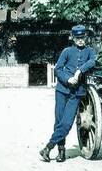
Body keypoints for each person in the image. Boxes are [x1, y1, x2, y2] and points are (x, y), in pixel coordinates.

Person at [39, 24, 96, 163]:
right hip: (62, 90)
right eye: (78, 38)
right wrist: (68, 78)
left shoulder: (90, 51)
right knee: (58, 121)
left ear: (86, 38)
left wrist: (80, 71)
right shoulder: (67, 51)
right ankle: (61, 151)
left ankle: (48, 147)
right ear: (73, 38)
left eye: (82, 37)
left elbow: (93, 61)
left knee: (67, 123)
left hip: (77, 93)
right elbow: (58, 69)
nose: (80, 40)